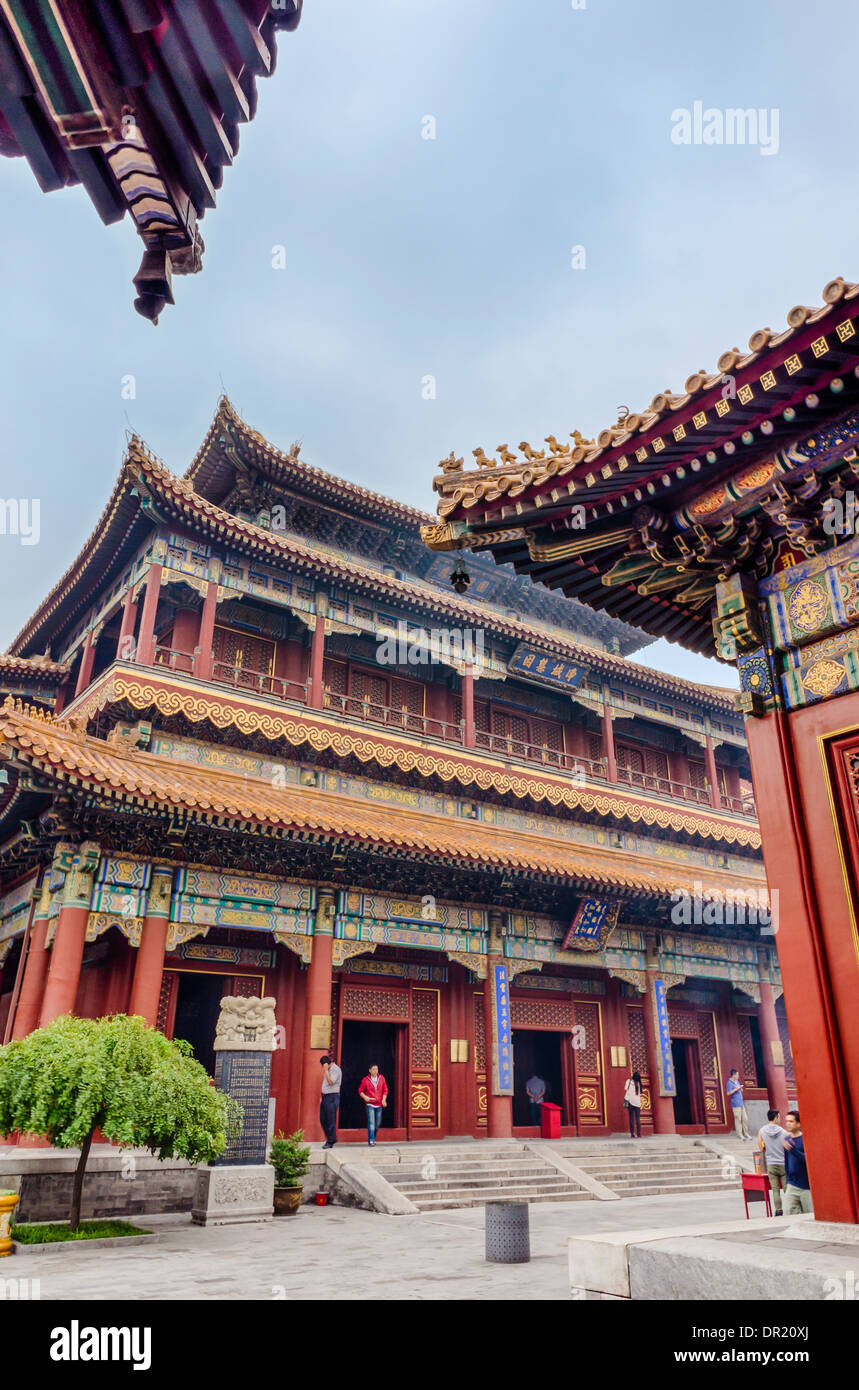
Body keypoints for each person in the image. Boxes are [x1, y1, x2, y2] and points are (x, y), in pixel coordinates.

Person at [758, 1108, 788, 1215]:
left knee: (775, 1189)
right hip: (782, 1163)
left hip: (771, 1163)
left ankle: (778, 1210)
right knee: (786, 1188)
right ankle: (790, 1208)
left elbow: (761, 1149)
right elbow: (787, 1147)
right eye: (779, 1117)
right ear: (776, 1118)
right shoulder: (783, 1132)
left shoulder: (762, 1131)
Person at [782, 1110, 813, 1216]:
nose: (788, 1124)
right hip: (792, 1184)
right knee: (788, 1212)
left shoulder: (806, 1139)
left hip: (806, 1185)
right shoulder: (787, 1140)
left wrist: (794, 1150)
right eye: (787, 1121)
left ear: (799, 1123)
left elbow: (809, 1160)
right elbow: (786, 1162)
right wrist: (787, 1179)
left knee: (810, 1215)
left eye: (791, 1121)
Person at [358, 1063, 388, 1145]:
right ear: (370, 1070)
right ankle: (371, 1140)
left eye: (376, 1069)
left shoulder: (381, 1078)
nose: (375, 1071)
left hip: (379, 1104)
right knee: (371, 1122)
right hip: (370, 1104)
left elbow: (385, 1090)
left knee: (377, 1123)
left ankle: (373, 1138)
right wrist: (365, 1097)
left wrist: (384, 1100)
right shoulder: (365, 1080)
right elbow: (360, 1091)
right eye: (374, 1069)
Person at [319, 1054, 342, 1149]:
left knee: (330, 1119)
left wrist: (325, 1070)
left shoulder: (335, 1069)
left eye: (323, 1065)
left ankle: (330, 1141)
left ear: (327, 1064)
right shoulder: (328, 1069)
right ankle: (331, 1138)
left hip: (332, 1097)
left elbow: (331, 1082)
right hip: (325, 1097)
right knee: (323, 1119)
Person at [726, 1068, 750, 1139]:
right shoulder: (729, 1083)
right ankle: (740, 1134)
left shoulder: (737, 1081)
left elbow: (740, 1090)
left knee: (745, 1119)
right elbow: (728, 1093)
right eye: (737, 1075)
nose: (738, 1076)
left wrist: (740, 1088)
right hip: (735, 1104)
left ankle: (746, 1133)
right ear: (733, 1075)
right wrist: (736, 1089)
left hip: (741, 1103)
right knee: (738, 1119)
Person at [624, 1070, 642, 1138]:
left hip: (630, 1101)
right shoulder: (639, 1083)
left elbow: (625, 1088)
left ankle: (632, 1133)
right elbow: (639, 1093)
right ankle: (639, 1133)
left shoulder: (629, 1081)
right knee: (638, 1119)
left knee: (631, 1118)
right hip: (637, 1102)